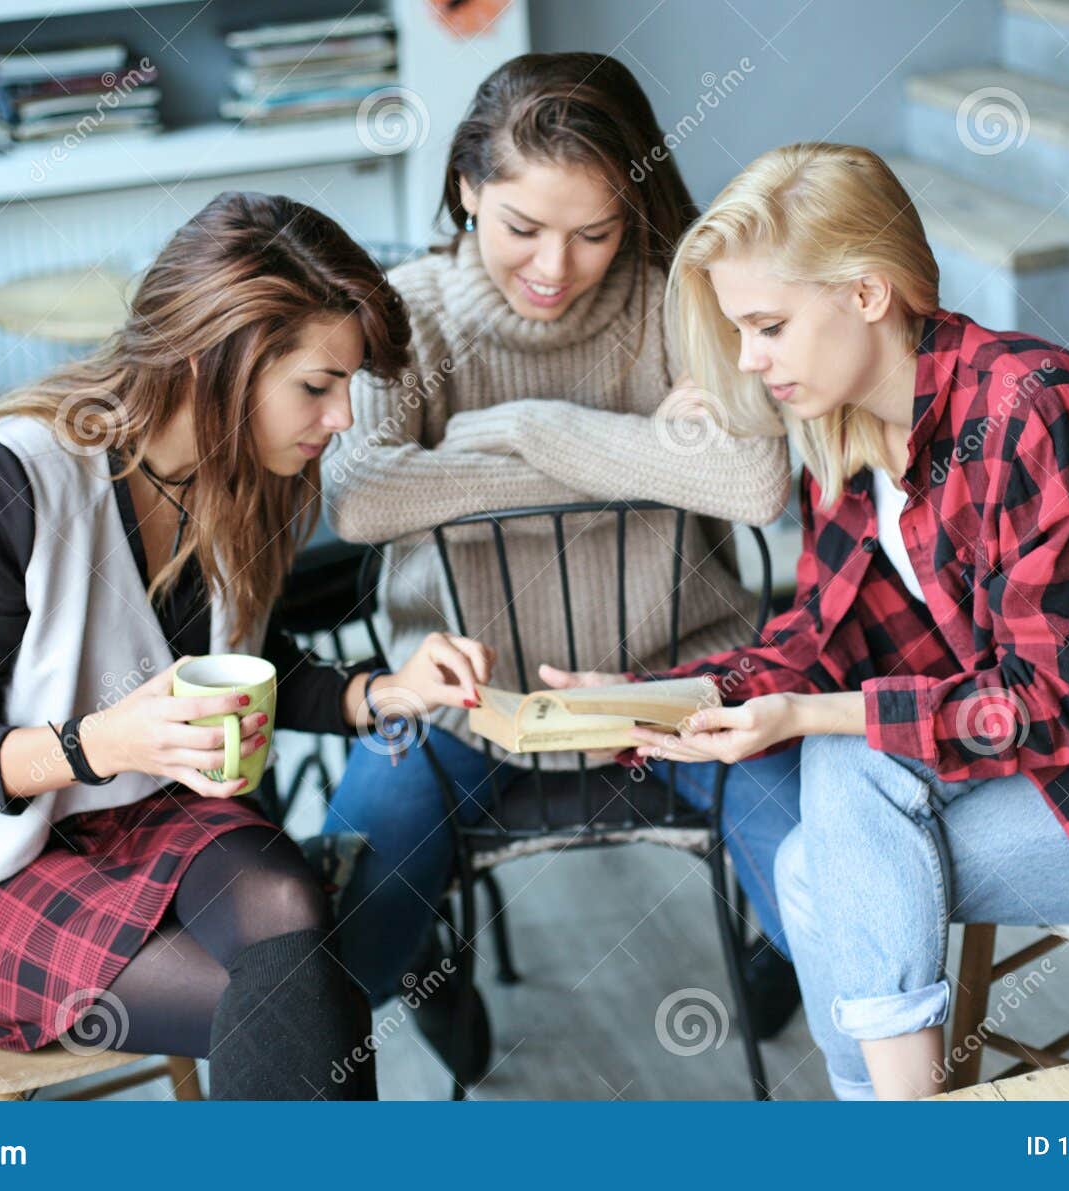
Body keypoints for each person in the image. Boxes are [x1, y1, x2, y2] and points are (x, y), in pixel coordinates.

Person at [543, 143, 1069, 1099]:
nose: (750, 360)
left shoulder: (1034, 410)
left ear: (867, 293)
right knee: (818, 848)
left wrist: (810, 717)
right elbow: (814, 645)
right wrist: (659, 700)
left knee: (825, 838)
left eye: (769, 325)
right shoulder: (844, 437)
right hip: (1047, 767)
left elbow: (1052, 708)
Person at [0, 192, 492, 1100]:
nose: (343, 417)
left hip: (142, 810)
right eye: (317, 385)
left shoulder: (249, 479)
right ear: (214, 362)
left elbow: (251, 670)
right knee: (307, 998)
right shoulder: (10, 477)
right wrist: (103, 743)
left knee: (287, 914)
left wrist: (383, 691)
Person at [321, 53, 798, 1080]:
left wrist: (524, 428)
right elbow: (361, 497)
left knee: (836, 909)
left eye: (594, 233)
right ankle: (425, 962)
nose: (553, 268)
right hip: (461, 702)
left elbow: (758, 485)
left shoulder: (678, 299)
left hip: (681, 692)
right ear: (465, 191)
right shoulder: (407, 314)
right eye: (521, 229)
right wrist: (642, 454)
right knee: (335, 959)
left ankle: (775, 943)